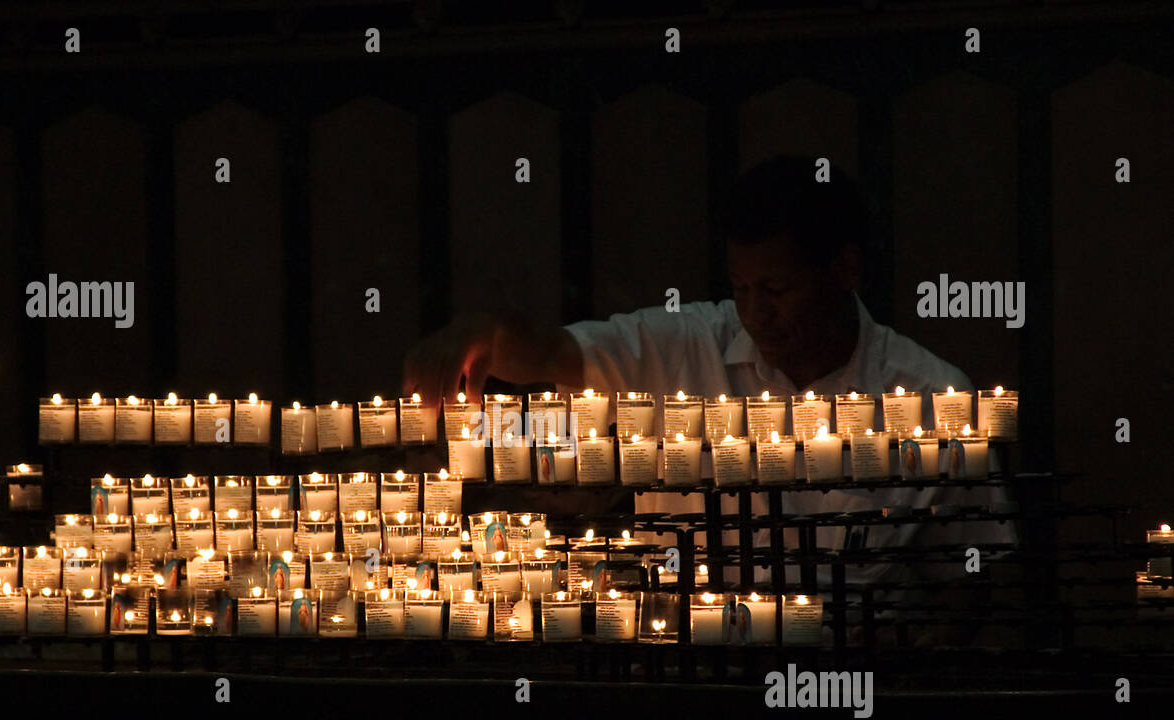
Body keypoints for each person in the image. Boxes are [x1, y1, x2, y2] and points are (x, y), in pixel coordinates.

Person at [402, 155, 1014, 594]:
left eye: (776, 290)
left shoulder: (938, 402)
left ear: (843, 270)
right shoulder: (685, 345)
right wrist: (485, 336)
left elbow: (982, 579)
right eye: (741, 288)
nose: (755, 313)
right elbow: (553, 354)